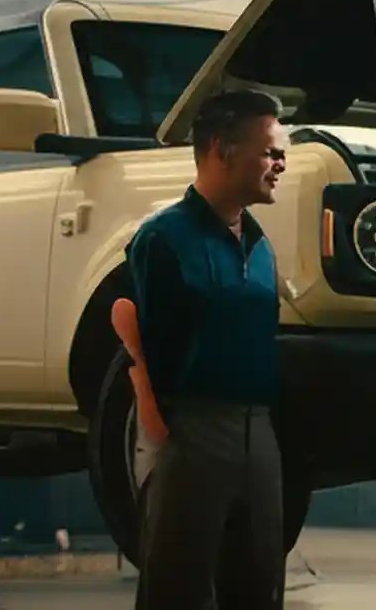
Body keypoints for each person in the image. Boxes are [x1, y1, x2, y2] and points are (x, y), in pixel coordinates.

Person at [125, 89, 290, 609]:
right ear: (221, 149)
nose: (281, 164)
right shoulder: (163, 239)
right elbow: (147, 352)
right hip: (191, 434)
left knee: (259, 586)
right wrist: (163, 441)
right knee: (178, 590)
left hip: (259, 437)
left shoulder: (261, 246)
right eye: (270, 152)